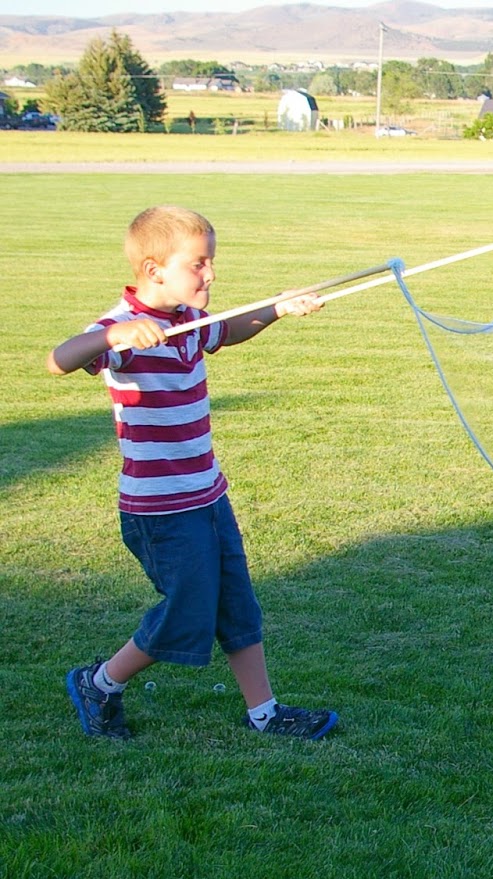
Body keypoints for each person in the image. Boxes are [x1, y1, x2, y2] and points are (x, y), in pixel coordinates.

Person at [50, 205, 338, 740]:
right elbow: (59, 359)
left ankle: (265, 713)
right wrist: (114, 338)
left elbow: (226, 331)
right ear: (154, 269)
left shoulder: (185, 322)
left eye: (211, 262)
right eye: (199, 264)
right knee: (188, 611)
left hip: (207, 494)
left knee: (236, 606)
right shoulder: (120, 329)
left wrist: (279, 309)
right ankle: (99, 682)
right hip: (158, 509)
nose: (211, 274)